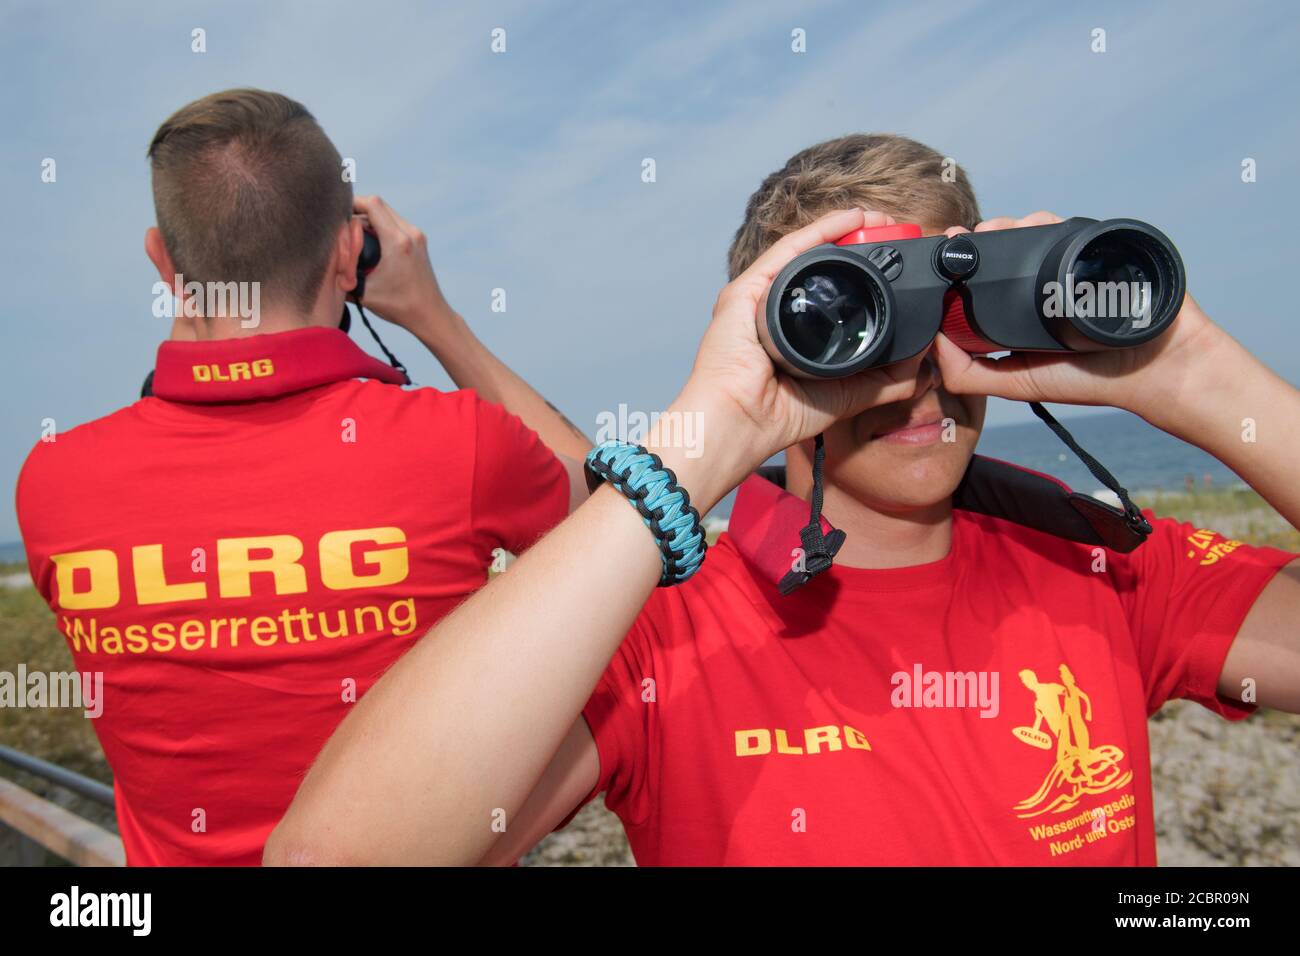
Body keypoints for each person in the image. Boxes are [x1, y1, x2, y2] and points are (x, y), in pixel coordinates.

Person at [267, 134, 1300, 866]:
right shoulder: (667, 632)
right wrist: (707, 433)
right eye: (861, 316)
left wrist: (1201, 381)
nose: (917, 377)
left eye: (945, 306)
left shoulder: (1102, 565)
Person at [15, 88, 590, 865]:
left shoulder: (55, 482)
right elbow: (624, 521)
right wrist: (437, 319)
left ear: (162, 260)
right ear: (352, 253)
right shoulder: (459, 446)